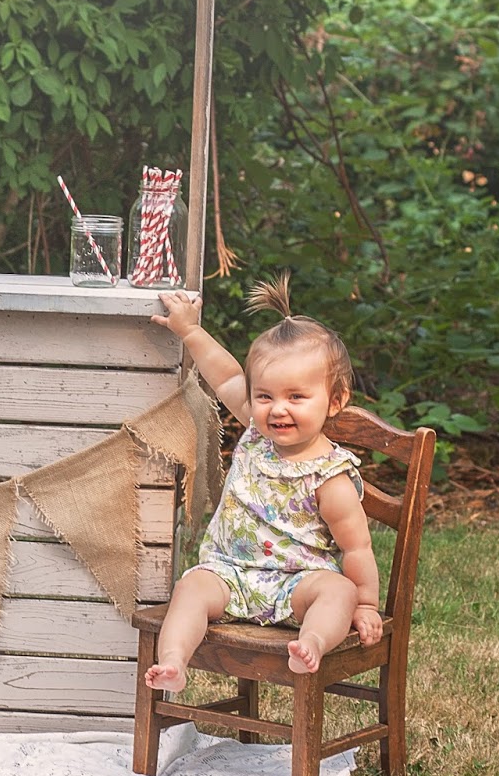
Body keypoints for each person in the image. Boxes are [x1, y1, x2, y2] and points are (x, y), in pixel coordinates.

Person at [145, 274, 383, 689]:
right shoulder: (256, 434)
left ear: (336, 400)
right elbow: (224, 376)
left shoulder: (330, 478)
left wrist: (365, 604)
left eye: (296, 397)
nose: (277, 410)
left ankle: (310, 642)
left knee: (338, 592)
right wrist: (190, 330)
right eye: (266, 396)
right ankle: (173, 662)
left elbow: (356, 547)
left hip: (297, 583)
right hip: (229, 572)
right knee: (190, 588)